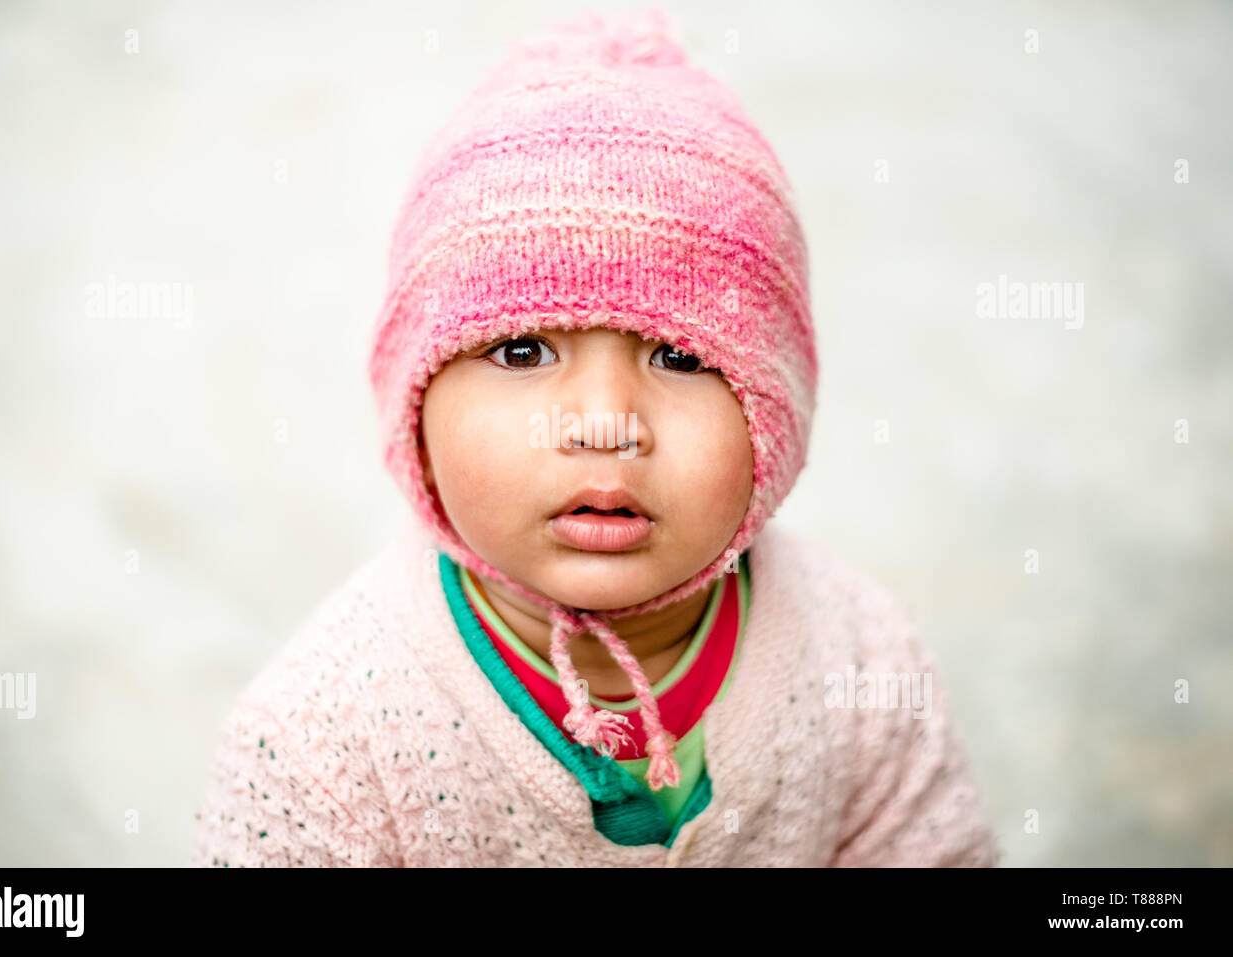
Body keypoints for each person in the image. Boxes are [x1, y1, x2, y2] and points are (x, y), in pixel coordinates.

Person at [189, 7, 1000, 867]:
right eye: (522, 349)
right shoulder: (324, 736)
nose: (605, 423)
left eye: (681, 355)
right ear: (415, 407)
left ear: (778, 410)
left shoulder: (862, 661)